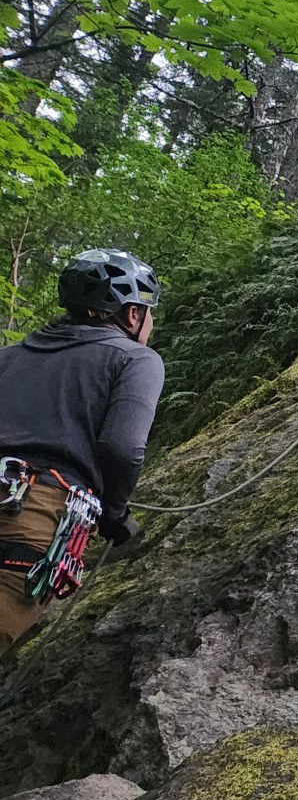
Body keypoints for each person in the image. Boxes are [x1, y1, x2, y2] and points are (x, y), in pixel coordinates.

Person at [0, 249, 164, 651]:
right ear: (132, 314)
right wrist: (114, 514)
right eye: (150, 313)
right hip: (33, 516)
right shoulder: (135, 359)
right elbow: (122, 448)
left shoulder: (8, 358)